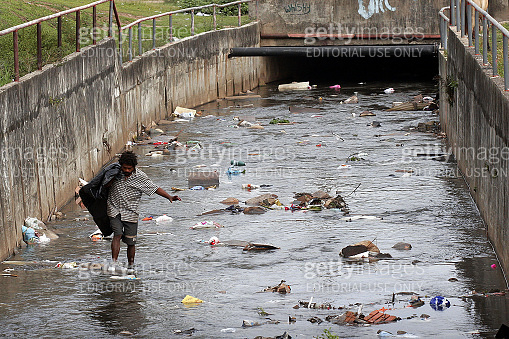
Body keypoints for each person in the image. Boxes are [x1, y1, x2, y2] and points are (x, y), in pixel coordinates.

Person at [107, 151, 180, 267]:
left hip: (131, 212)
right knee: (117, 234)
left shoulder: (140, 177)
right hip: (114, 209)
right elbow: (103, 184)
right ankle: (114, 263)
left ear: (134, 167)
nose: (126, 171)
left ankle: (131, 265)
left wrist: (169, 197)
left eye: (129, 169)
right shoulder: (114, 173)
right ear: (121, 166)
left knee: (131, 242)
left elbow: (154, 188)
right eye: (124, 168)